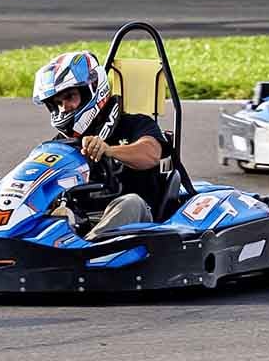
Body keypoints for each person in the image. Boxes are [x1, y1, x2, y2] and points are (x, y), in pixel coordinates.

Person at [32, 50, 170, 239]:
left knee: (130, 203)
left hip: (137, 221)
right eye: (58, 103)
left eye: (70, 97)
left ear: (94, 88)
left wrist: (109, 150)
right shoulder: (60, 144)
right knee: (56, 212)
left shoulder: (134, 124)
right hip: (80, 223)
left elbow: (152, 153)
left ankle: (85, 251)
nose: (64, 108)